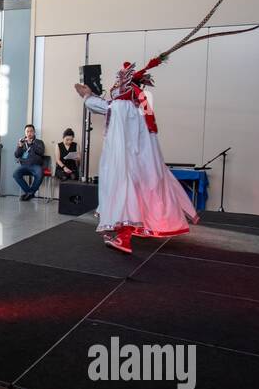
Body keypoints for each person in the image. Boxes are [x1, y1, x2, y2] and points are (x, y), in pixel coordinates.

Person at [74, 63, 197, 254]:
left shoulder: (125, 105)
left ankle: (124, 236)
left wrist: (87, 96)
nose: (115, 84)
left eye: (119, 80)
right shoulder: (140, 104)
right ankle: (131, 227)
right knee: (138, 191)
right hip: (141, 159)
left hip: (128, 160)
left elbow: (107, 107)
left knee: (125, 190)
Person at [12, 124, 46, 200]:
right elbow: (17, 155)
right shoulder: (22, 142)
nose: (29, 133)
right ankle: (30, 192)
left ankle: (29, 193)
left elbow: (41, 152)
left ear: (34, 132)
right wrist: (20, 146)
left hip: (36, 166)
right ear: (25, 133)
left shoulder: (39, 142)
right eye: (27, 131)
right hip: (24, 166)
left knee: (40, 173)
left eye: (31, 131)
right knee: (15, 174)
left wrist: (32, 144)